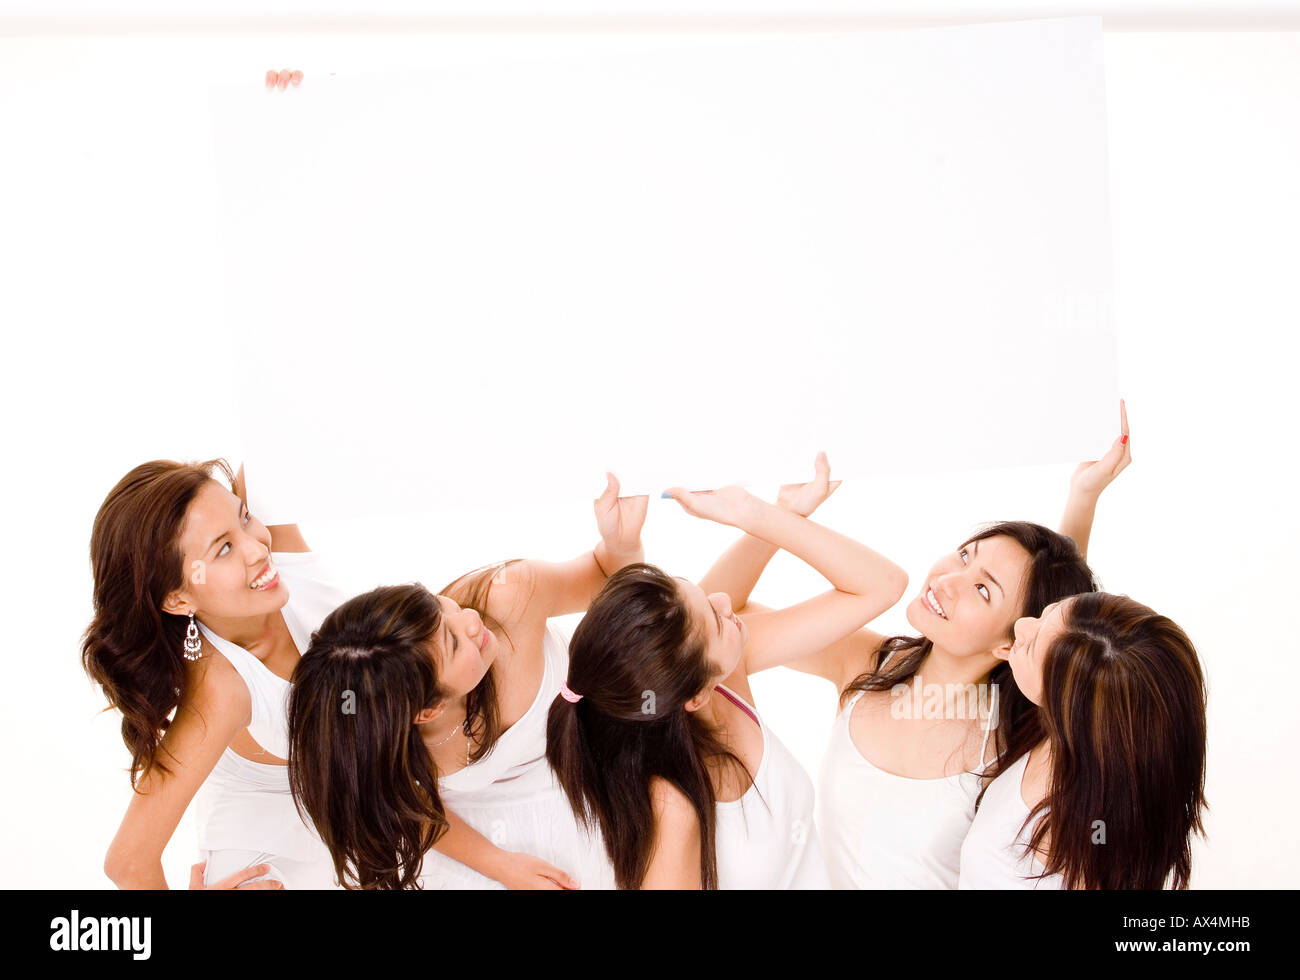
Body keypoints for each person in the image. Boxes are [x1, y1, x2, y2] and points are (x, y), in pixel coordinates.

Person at [695, 403, 1129, 888]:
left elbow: (1063, 637)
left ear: (1014, 642)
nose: (949, 580)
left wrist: (1081, 505)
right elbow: (705, 627)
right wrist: (779, 517)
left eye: (983, 590)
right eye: (965, 555)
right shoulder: (866, 664)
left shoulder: (1013, 736)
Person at [547, 468, 908, 888]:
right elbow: (881, 586)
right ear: (695, 696)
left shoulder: (711, 678)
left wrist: (773, 513)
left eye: (698, 593)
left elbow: (882, 586)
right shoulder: (671, 808)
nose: (723, 600)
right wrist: (765, 519)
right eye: (716, 620)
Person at [287, 476, 647, 889]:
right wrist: (499, 864)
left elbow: (606, 576)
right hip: (492, 815)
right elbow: (397, 804)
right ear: (427, 711)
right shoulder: (383, 732)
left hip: (601, 750)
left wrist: (621, 543)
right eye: (455, 643)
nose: (470, 620)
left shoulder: (508, 597)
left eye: (442, 609)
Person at [83, 460, 343, 889]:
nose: (258, 548)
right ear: (177, 597)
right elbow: (128, 861)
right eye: (223, 549)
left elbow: (275, 430)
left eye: (244, 516)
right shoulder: (221, 688)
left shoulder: (272, 553)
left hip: (341, 816)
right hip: (269, 864)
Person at [959, 592, 1207, 889]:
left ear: (1071, 706)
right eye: (1048, 610)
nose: (1022, 624)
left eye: (1033, 644)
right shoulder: (1076, 726)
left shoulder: (1085, 833)